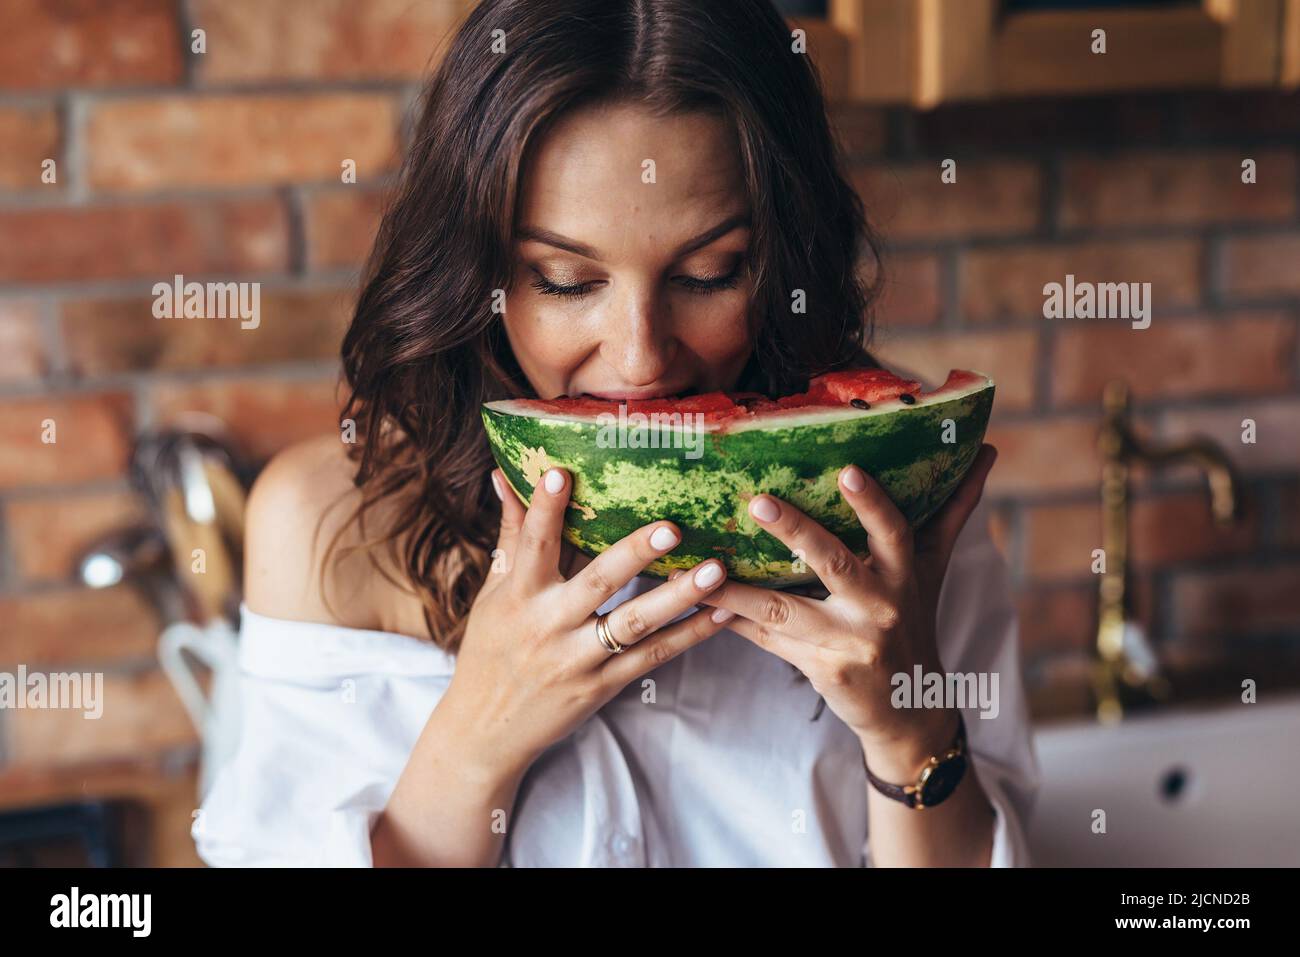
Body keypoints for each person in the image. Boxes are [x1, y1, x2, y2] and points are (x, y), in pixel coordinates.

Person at [192, 0, 1039, 867]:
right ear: (476, 275)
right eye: (563, 280)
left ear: (781, 258)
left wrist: (910, 734)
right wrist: (478, 737)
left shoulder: (889, 499)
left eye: (711, 273)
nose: (640, 359)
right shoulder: (332, 527)